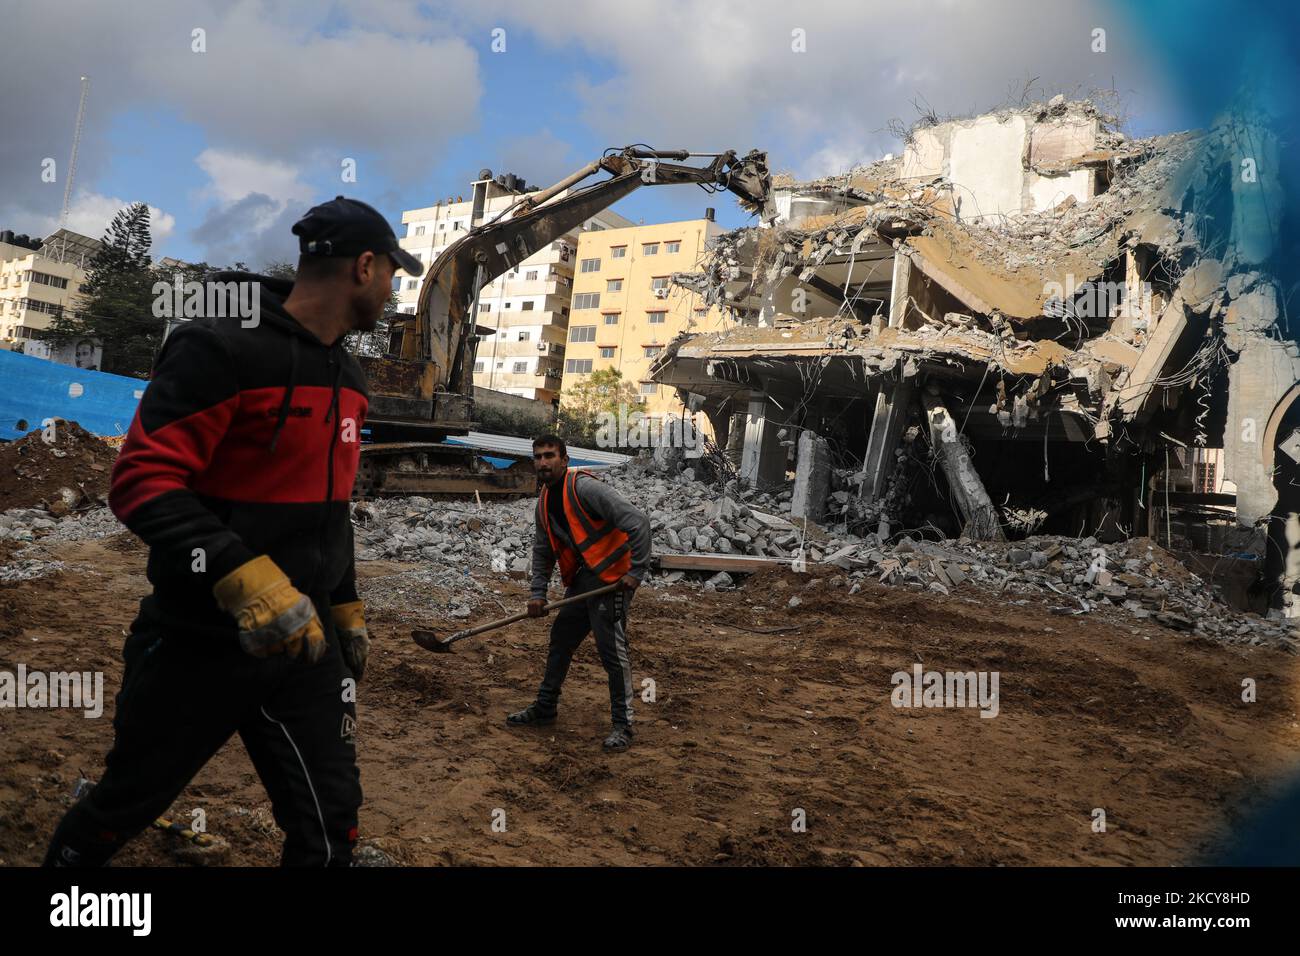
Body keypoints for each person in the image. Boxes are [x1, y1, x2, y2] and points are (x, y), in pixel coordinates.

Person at [43, 196, 423, 866]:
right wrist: (244, 578)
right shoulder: (220, 347)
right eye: (394, 273)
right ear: (365, 266)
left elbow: (331, 506)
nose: (395, 290)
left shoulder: (351, 376)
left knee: (332, 828)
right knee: (125, 804)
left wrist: (345, 601)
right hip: (199, 641)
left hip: (305, 647)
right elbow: (142, 483)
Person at [507, 435, 651, 751]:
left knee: (611, 651)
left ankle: (623, 726)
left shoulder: (585, 488)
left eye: (549, 456)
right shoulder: (543, 502)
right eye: (538, 457)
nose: (542, 463)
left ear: (565, 460)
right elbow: (543, 551)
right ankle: (545, 707)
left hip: (613, 579)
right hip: (584, 582)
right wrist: (537, 594)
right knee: (561, 637)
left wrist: (636, 572)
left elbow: (638, 522)